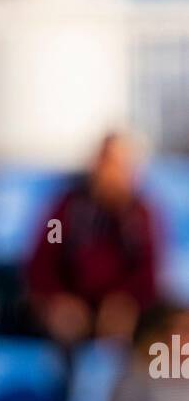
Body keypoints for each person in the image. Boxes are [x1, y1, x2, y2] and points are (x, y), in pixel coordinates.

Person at [24, 131, 161, 347]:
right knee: (65, 325)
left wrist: (126, 299)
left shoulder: (141, 216)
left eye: (117, 165)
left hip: (121, 311)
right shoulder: (65, 211)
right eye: (105, 162)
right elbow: (43, 262)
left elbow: (149, 271)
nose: (110, 172)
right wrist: (57, 299)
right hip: (70, 307)